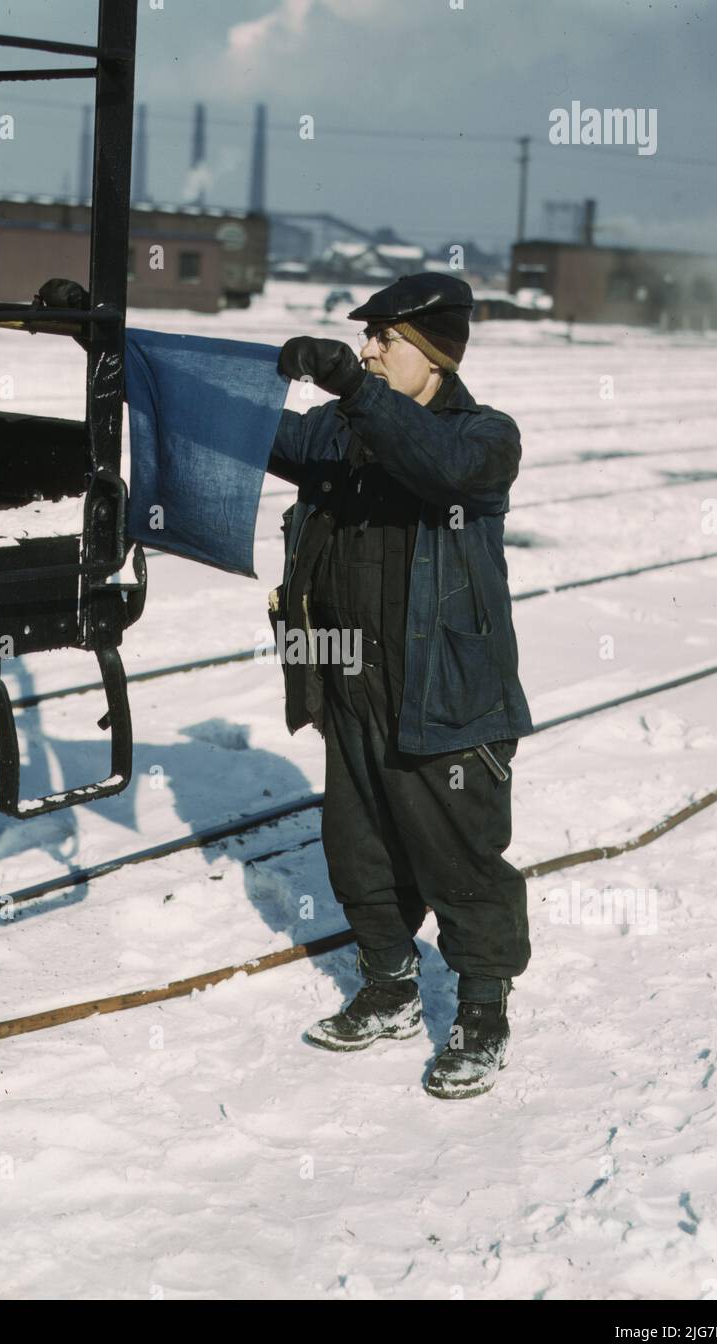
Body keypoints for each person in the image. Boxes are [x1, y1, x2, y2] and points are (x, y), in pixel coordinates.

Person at [270, 272, 532, 1099]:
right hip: (353, 684)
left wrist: (352, 387)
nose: (368, 350)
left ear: (433, 356)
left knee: (461, 861)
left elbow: (437, 467)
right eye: (364, 339)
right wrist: (113, 348)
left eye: (384, 339)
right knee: (360, 852)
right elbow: (254, 431)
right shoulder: (347, 430)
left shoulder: (484, 437)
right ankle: (388, 988)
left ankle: (482, 1011)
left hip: (446, 696)